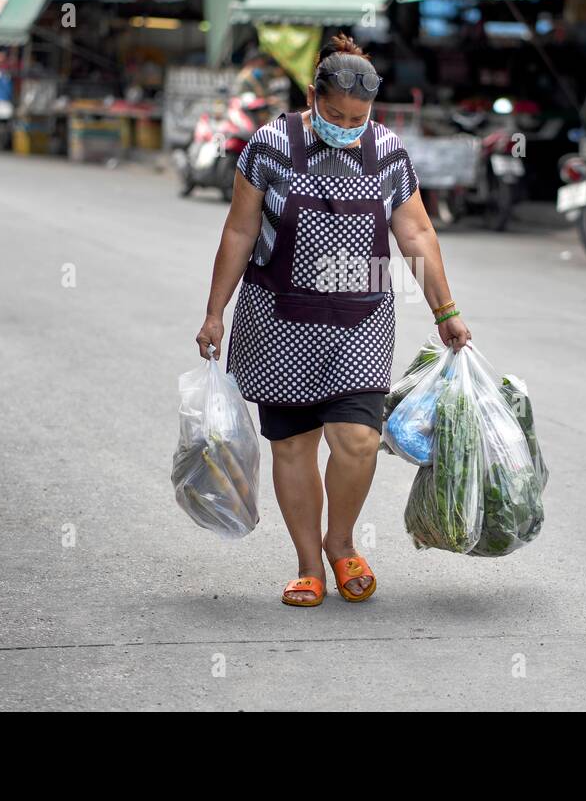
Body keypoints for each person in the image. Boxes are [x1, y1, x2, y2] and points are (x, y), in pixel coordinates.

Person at [196, 33, 472, 607]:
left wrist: (445, 309)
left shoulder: (388, 152)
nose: (348, 125)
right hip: (279, 320)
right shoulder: (270, 145)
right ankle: (307, 565)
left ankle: (340, 542)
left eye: (359, 116)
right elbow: (240, 230)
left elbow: (416, 232)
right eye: (336, 114)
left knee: (359, 441)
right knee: (293, 447)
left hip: (359, 322)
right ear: (311, 96)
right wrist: (215, 310)